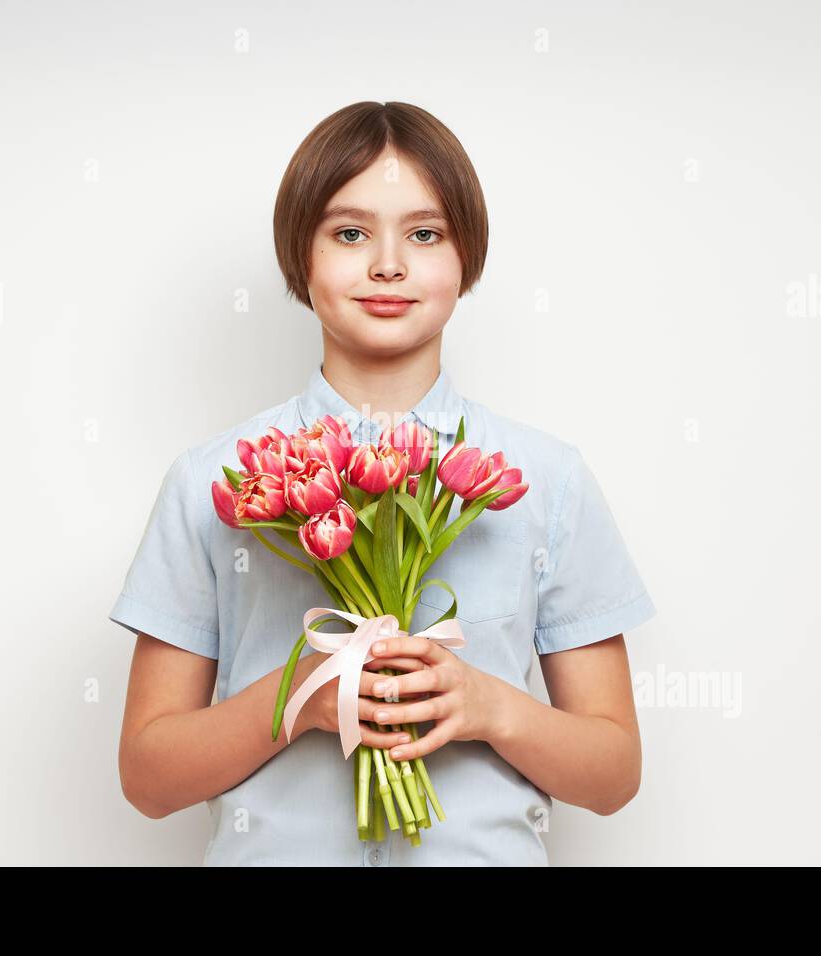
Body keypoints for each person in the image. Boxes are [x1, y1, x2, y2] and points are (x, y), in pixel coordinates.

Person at [108, 101, 657, 866]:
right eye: (349, 232)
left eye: (425, 234)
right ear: (300, 255)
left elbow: (613, 776)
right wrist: (300, 695)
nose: (388, 265)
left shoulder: (545, 478)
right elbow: (149, 777)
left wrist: (490, 706)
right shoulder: (216, 482)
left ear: (468, 257)